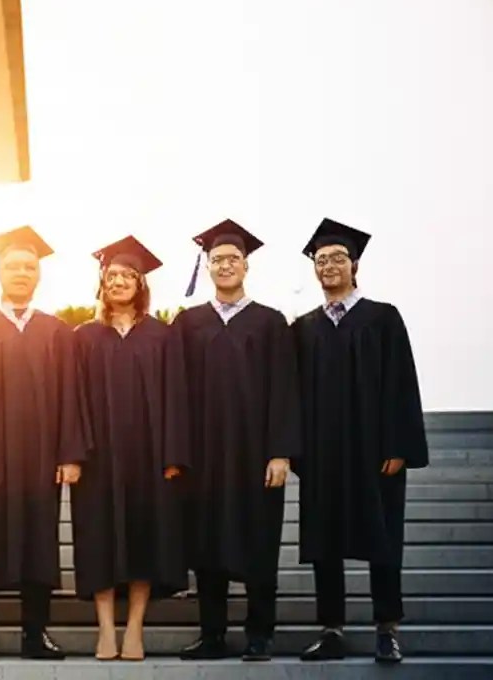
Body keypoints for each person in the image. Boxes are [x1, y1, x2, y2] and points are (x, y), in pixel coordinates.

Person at [293, 218, 427, 664]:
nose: (329, 265)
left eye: (337, 258)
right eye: (321, 259)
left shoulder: (383, 317)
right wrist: (297, 451)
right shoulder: (303, 328)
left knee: (383, 538)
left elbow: (402, 383)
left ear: (355, 264)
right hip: (323, 454)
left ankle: (386, 629)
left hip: (375, 453)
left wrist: (399, 446)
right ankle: (331, 628)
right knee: (324, 542)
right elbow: (292, 393)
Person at [0, 226, 81, 661]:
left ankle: (35, 634)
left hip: (40, 459)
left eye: (29, 266)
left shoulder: (58, 332)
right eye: (12, 266)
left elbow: (70, 397)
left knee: (39, 543)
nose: (21, 273)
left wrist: (70, 454)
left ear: (39, 274)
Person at [172, 220, 300, 662]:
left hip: (254, 455)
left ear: (246, 265)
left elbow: (284, 388)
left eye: (232, 259)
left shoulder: (270, 322)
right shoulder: (188, 324)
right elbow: (175, 392)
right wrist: (178, 454)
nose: (225, 266)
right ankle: (212, 635)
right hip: (204, 457)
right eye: (217, 260)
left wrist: (280, 451)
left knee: (259, 542)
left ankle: (260, 634)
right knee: (206, 544)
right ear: (207, 267)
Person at [65, 235, 189, 662]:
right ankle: (105, 630)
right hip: (97, 458)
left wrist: (174, 456)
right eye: (111, 275)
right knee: (98, 539)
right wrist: (74, 454)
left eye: (126, 276)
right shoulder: (82, 337)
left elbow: (177, 396)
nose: (118, 281)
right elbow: (72, 399)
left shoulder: (163, 336)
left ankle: (134, 628)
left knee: (143, 537)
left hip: (148, 457)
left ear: (140, 284)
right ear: (102, 284)